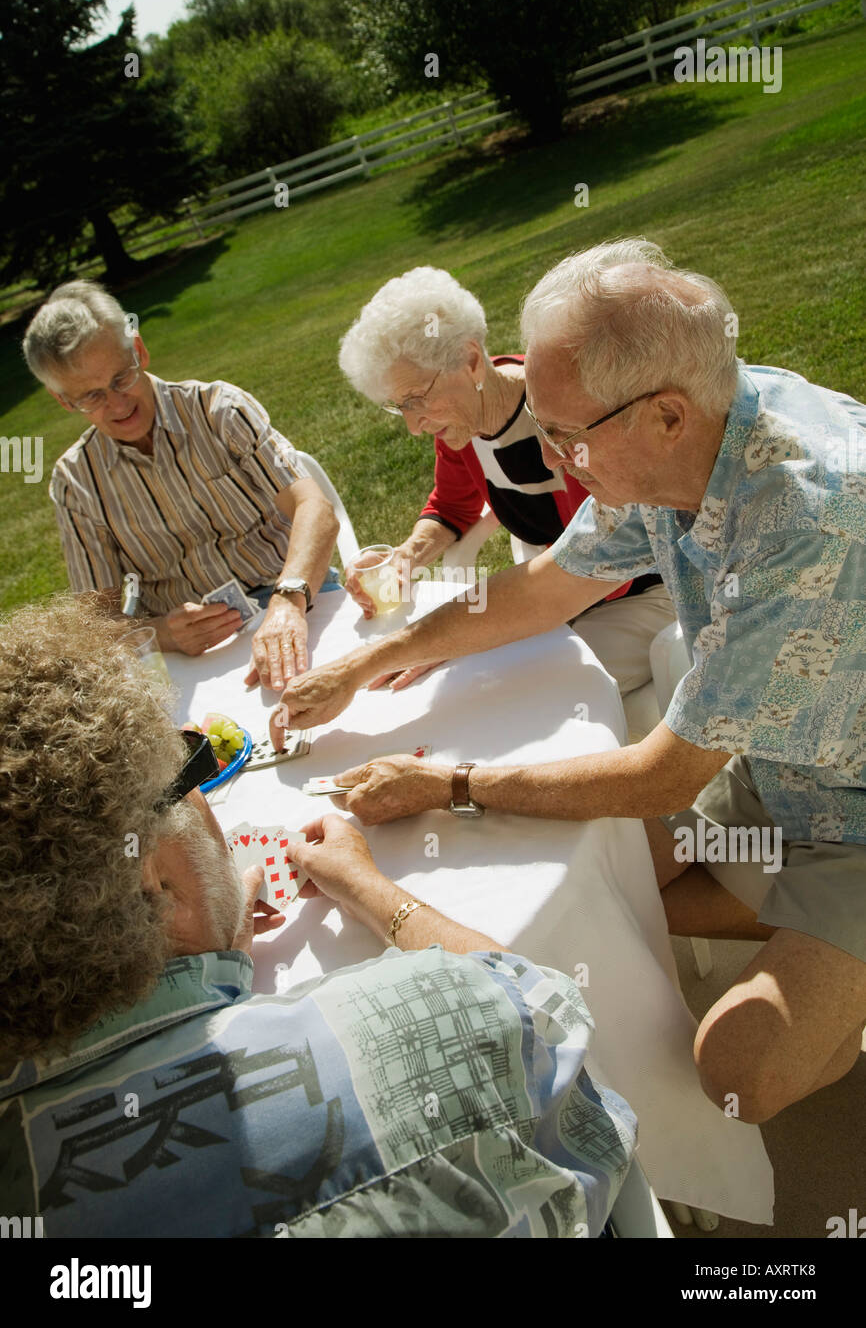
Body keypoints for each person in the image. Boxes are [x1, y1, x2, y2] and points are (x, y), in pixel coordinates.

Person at [271, 240, 866, 1126]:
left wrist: (453, 784)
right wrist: (365, 661)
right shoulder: (680, 429)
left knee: (738, 1070)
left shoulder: (807, 519)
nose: (555, 456)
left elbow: (662, 775)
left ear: (664, 414)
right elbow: (548, 586)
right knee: (620, 893)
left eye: (565, 436)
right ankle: (812, 927)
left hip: (851, 806)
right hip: (782, 764)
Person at [0, 597, 637, 1238]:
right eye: (186, 768)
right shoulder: (444, 1027)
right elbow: (547, 1023)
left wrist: (200, 963)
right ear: (155, 885)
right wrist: (369, 889)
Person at [337, 262, 674, 693]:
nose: (413, 426)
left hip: (643, 591)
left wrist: (474, 631)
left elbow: (601, 563)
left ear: (472, 362)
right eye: (400, 406)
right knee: (462, 683)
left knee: (518, 690)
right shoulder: (462, 427)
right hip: (559, 598)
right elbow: (451, 507)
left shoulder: (561, 415)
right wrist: (406, 557)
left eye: (417, 400)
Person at [22, 280, 341, 691]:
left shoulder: (220, 411)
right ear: (64, 401)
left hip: (299, 595)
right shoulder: (76, 483)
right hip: (191, 652)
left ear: (138, 351)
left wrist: (287, 602)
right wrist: (163, 634)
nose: (118, 405)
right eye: (92, 397)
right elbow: (94, 622)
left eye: (121, 378)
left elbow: (314, 509)